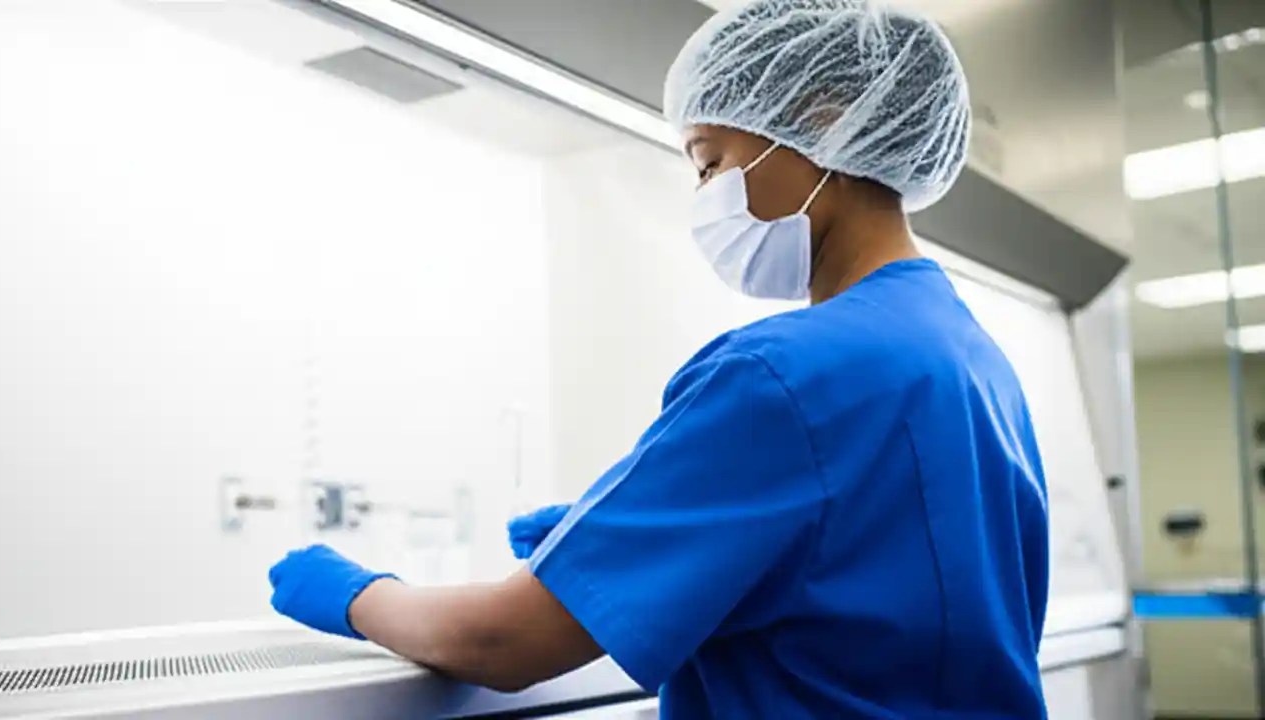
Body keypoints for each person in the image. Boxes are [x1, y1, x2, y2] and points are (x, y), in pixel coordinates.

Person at [268, 1, 1050, 717]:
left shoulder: (782, 376)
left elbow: (500, 644)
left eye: (709, 161)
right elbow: (880, 589)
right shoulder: (976, 362)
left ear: (826, 124)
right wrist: (637, 542)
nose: (706, 194)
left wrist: (356, 593)